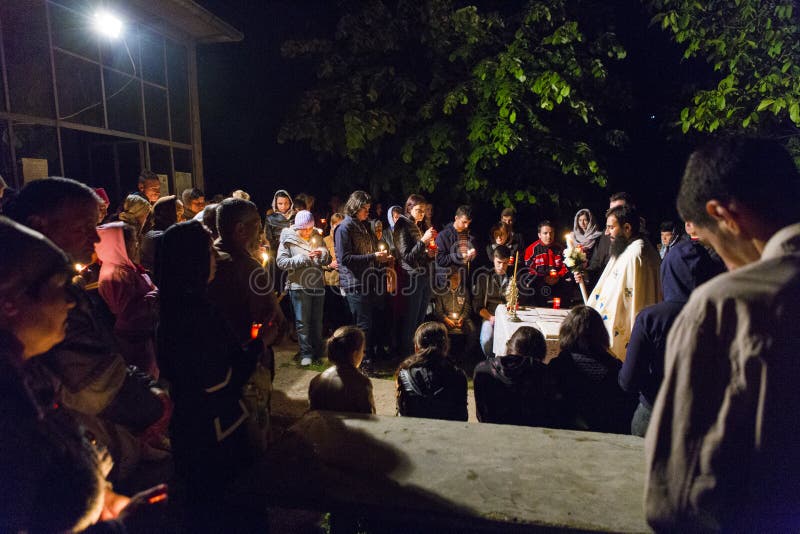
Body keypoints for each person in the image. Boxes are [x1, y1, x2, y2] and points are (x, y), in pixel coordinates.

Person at [645, 138, 800, 531]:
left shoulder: (729, 305)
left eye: (716, 245)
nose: (730, 268)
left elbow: (678, 496)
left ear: (725, 214)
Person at [0, 216, 167, 533]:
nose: (69, 302)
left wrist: (103, 500)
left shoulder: (29, 382)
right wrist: (121, 526)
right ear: (10, 302)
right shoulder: (8, 420)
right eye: (58, 287)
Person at [157, 220, 265, 531]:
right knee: (229, 511)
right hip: (216, 435)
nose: (215, 258)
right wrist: (257, 347)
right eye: (208, 252)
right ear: (192, 261)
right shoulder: (196, 315)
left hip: (193, 431)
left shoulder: (175, 307)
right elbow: (220, 379)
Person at [619, 237, 724, 436]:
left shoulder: (651, 318)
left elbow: (628, 380)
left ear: (668, 271)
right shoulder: (724, 316)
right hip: (704, 420)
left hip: (654, 414)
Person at [208, 198, 282, 371]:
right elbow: (276, 322)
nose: (260, 233)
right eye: (257, 225)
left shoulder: (205, 258)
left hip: (209, 361)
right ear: (240, 229)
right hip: (245, 362)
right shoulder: (248, 268)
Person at [586, 205, 661, 360]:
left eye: (611, 228)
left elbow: (632, 302)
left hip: (623, 339)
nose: (606, 233)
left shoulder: (636, 255)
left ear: (627, 227)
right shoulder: (627, 247)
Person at [549, 306, 636, 434]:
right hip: (607, 433)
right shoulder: (616, 368)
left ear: (566, 331)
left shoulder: (558, 365)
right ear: (601, 333)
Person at [335, 191, 391, 372]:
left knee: (371, 321)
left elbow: (371, 249)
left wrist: (379, 257)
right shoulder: (344, 228)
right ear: (355, 207)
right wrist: (372, 256)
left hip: (369, 280)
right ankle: (362, 362)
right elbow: (345, 258)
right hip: (355, 282)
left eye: (368, 208)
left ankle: (369, 355)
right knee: (363, 324)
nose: (368, 212)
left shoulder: (364, 226)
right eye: (364, 209)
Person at [96, 222, 159, 378]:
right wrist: (153, 297)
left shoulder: (125, 268)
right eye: (131, 242)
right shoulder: (115, 274)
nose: (136, 245)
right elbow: (127, 313)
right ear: (118, 245)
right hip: (134, 343)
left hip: (142, 335)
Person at [473, 326, 558, 426]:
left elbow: (482, 416)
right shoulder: (546, 375)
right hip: (533, 437)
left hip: (492, 435)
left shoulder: (483, 370)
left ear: (509, 346)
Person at [277, 210, 331, 366]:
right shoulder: (288, 238)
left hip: (317, 284)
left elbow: (327, 258)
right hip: (299, 285)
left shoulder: (317, 236)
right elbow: (281, 262)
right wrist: (302, 259)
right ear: (298, 227)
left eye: (310, 228)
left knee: (317, 321)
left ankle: (318, 350)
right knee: (302, 322)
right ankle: (306, 352)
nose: (308, 232)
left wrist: (322, 254)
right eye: (304, 229)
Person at [393, 194, 438, 357]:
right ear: (409, 208)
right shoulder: (402, 225)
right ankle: (405, 353)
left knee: (420, 318)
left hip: (423, 275)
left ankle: (415, 351)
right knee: (411, 319)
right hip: (411, 277)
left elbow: (418, 255)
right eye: (419, 210)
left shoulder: (416, 225)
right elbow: (407, 256)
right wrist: (424, 242)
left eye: (424, 211)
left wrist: (429, 254)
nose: (422, 214)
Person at [395, 322, 468, 421]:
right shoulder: (458, 376)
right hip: (447, 433)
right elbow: (462, 417)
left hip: (413, 432)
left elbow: (401, 412)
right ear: (446, 347)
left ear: (416, 348)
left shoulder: (404, 374)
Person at [309, 326, 375, 414]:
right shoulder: (362, 383)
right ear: (355, 354)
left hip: (321, 426)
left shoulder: (316, 380)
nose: (363, 354)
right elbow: (369, 417)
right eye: (362, 351)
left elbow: (312, 414)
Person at [579, 192, 634, 291]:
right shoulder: (606, 234)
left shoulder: (637, 241)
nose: (613, 214)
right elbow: (596, 262)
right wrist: (585, 274)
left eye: (618, 210)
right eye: (611, 210)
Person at [521, 220, 571, 307]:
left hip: (558, 281)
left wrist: (558, 276)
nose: (549, 236)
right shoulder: (531, 250)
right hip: (539, 282)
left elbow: (566, 267)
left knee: (567, 286)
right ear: (539, 235)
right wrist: (544, 278)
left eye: (551, 233)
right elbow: (528, 270)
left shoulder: (561, 249)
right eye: (545, 233)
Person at [474, 245, 511, 358]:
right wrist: (490, 318)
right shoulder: (483, 278)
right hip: (490, 315)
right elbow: (478, 306)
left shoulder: (512, 277)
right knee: (486, 340)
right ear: (493, 259)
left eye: (505, 263)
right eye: (499, 262)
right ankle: (491, 361)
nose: (501, 266)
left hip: (508, 316)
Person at [432, 268, 477, 357]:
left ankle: (465, 354)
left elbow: (467, 308)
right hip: (446, 319)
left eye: (459, 278)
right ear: (448, 279)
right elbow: (438, 311)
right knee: (439, 331)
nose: (457, 281)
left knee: (472, 330)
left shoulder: (464, 291)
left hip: (461, 319)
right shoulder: (441, 292)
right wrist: (446, 320)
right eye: (455, 278)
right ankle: (443, 354)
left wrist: (462, 318)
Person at [435, 205, 477, 289]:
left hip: (462, 281)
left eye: (469, 223)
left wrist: (472, 255)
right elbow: (439, 260)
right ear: (456, 218)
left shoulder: (468, 236)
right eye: (464, 222)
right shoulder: (443, 236)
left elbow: (468, 260)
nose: (466, 226)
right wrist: (458, 255)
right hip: (446, 282)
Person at [322, 213, 351, 335]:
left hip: (345, 282)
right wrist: (329, 265)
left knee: (345, 313)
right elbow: (318, 260)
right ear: (331, 226)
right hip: (331, 282)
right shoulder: (325, 241)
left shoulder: (346, 239)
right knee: (333, 312)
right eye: (336, 226)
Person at [140, 195, 181, 272]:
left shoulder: (166, 233)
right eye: (178, 214)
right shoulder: (157, 237)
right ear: (167, 214)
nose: (181, 219)